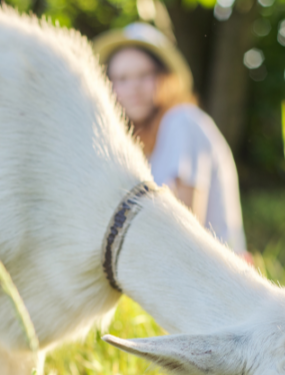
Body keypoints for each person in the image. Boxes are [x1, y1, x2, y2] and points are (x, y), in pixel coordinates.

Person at [94, 23, 248, 258]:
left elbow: (186, 232)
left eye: (144, 75)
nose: (133, 87)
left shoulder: (182, 120)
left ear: (165, 78)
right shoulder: (144, 145)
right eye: (122, 79)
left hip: (212, 278)